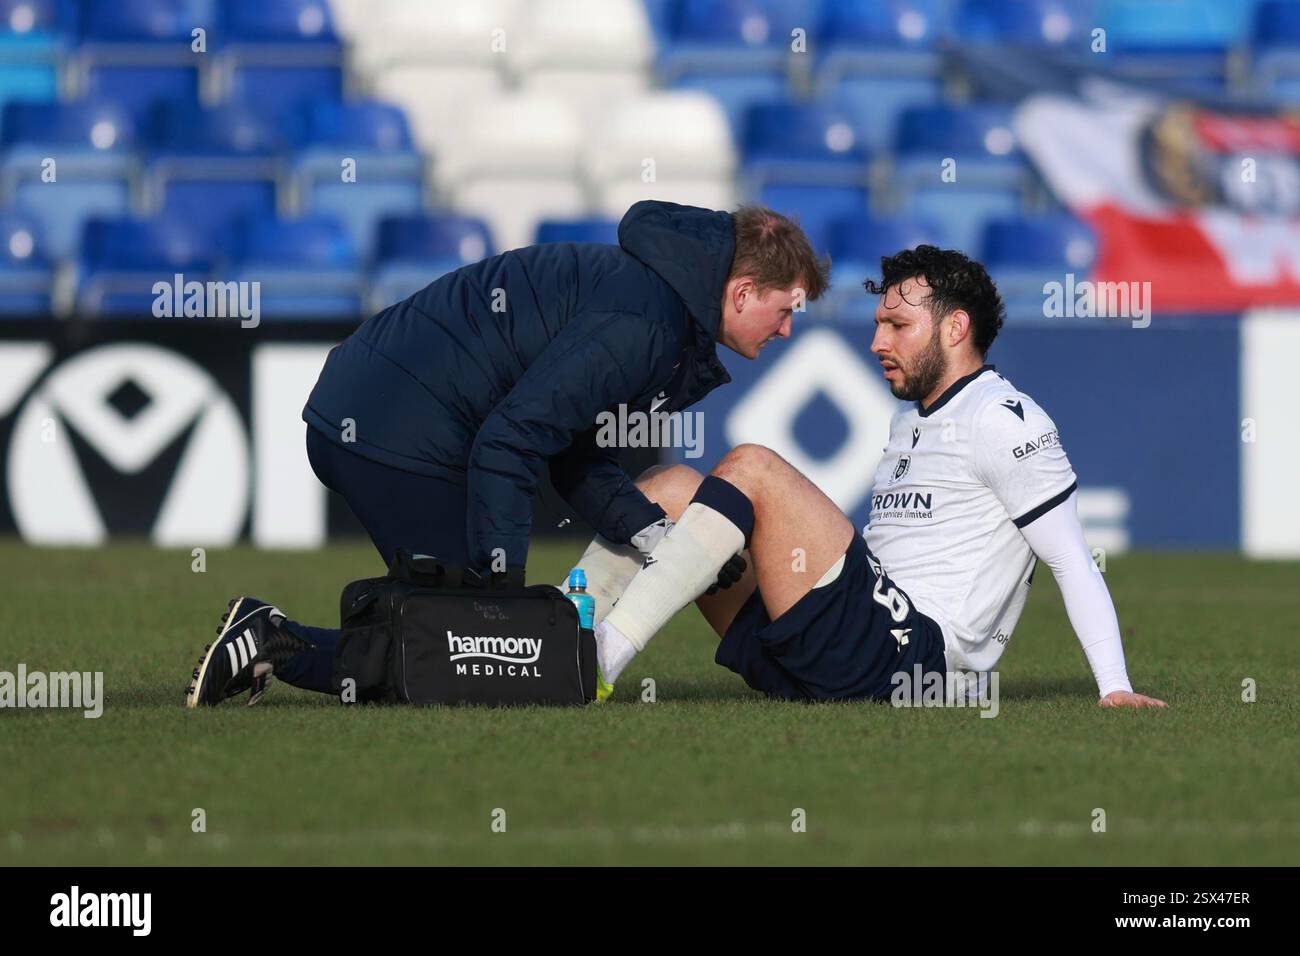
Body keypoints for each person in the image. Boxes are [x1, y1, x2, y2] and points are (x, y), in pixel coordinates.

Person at [184, 200, 829, 707]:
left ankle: (279, 638)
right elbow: (510, 441)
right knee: (481, 657)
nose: (787, 328)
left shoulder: (656, 307)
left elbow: (565, 449)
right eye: (785, 309)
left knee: (468, 644)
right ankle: (276, 640)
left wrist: (661, 539)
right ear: (743, 292)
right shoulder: (646, 324)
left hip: (387, 415)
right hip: (394, 431)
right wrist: (501, 602)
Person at [586, 246, 1167, 709]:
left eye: (897, 325)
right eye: (878, 324)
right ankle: (557, 646)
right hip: (847, 647)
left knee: (754, 467)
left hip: (912, 657)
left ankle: (601, 662)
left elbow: (1070, 559)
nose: (876, 342)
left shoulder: (1002, 418)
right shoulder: (906, 418)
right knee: (668, 487)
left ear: (955, 328)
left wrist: (1113, 685)